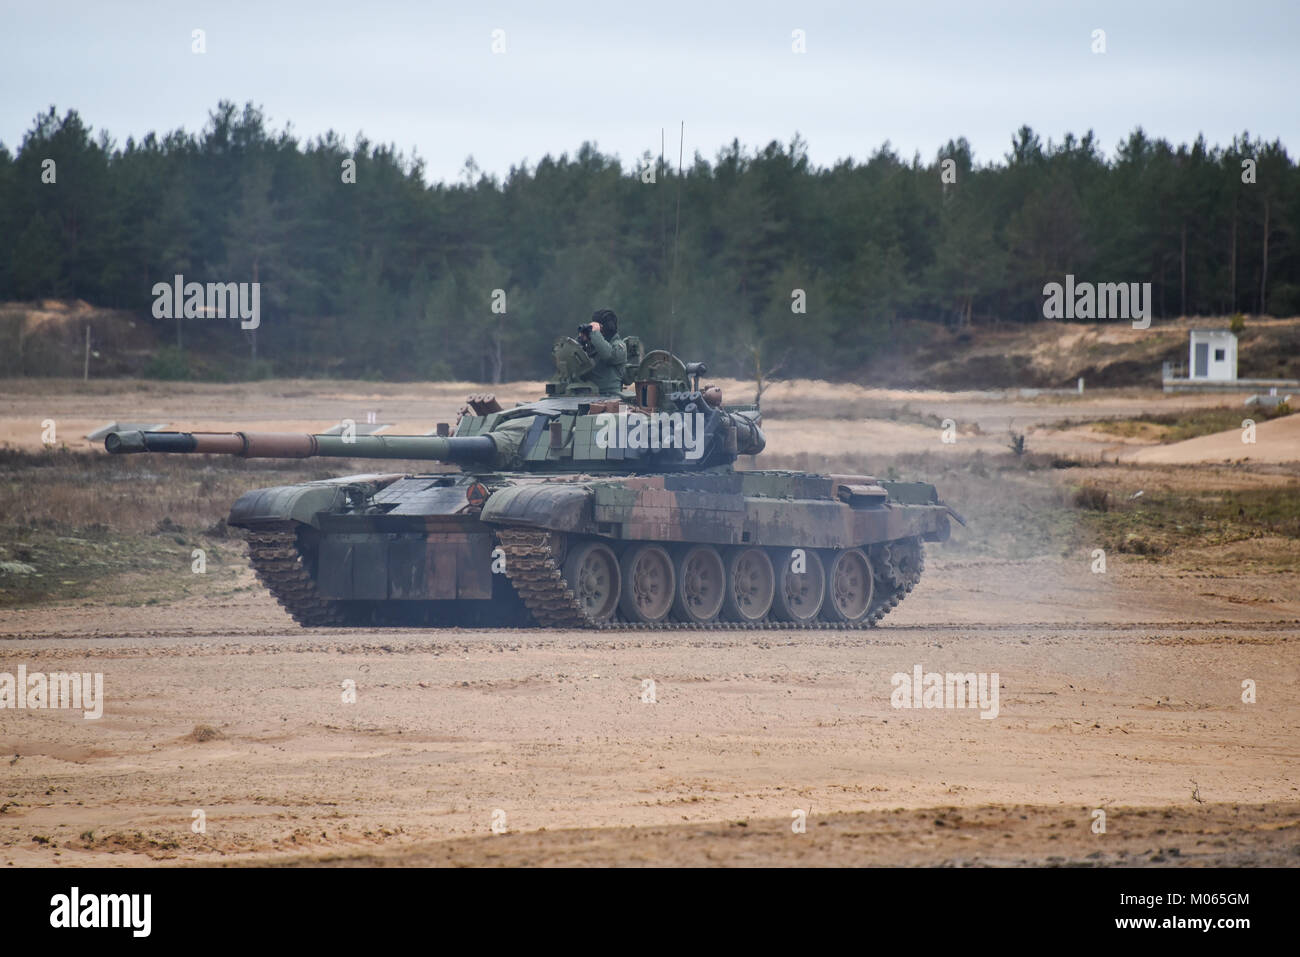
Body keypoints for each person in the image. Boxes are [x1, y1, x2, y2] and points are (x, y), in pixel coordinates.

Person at [577, 308, 627, 394]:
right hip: (588, 394)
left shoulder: (619, 346)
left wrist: (595, 334)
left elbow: (609, 356)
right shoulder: (594, 343)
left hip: (611, 395)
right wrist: (582, 340)